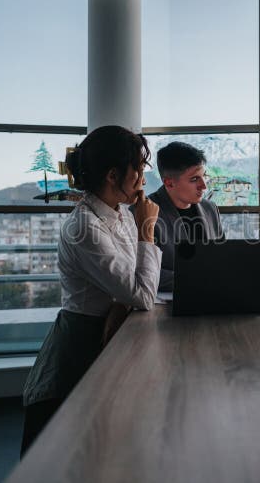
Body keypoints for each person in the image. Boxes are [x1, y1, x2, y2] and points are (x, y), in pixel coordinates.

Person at [20, 126, 161, 456]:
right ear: (113, 175)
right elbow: (142, 295)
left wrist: (122, 302)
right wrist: (147, 229)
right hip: (80, 345)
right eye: (138, 170)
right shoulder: (84, 226)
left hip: (110, 335)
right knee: (69, 454)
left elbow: (131, 288)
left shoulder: (121, 216)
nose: (143, 179)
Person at [144, 142, 224, 291]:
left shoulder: (210, 209)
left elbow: (222, 257)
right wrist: (198, 280)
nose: (204, 186)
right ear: (169, 183)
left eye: (204, 176)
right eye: (194, 179)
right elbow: (142, 271)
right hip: (167, 301)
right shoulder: (143, 212)